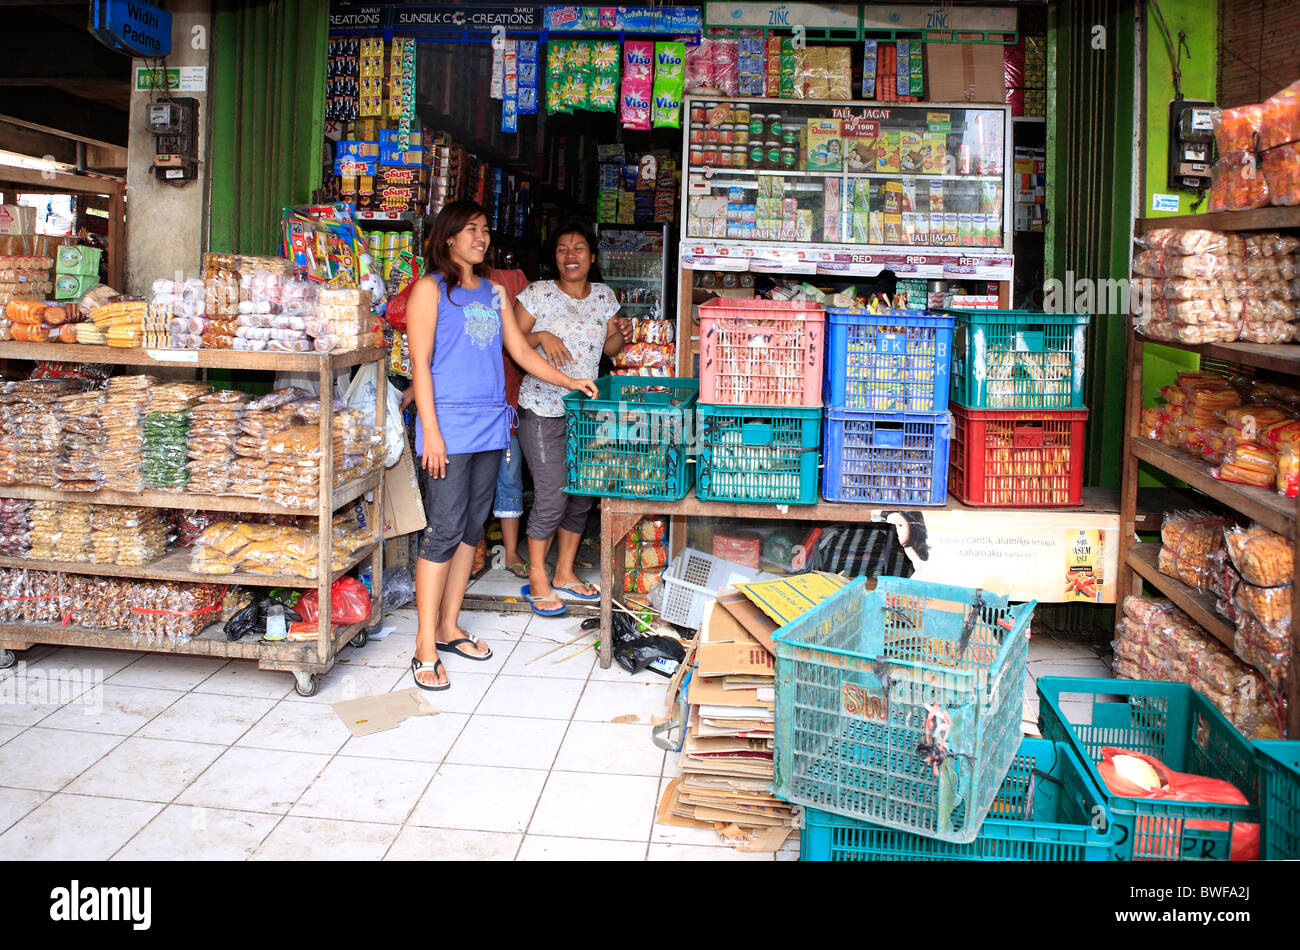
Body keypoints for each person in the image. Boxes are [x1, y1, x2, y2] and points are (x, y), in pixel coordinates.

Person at [405, 201, 597, 691]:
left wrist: (570, 381)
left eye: (485, 230)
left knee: (471, 530)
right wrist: (430, 430)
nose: (481, 238)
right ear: (448, 237)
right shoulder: (430, 291)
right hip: (447, 430)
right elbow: (420, 366)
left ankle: (449, 627)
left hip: (491, 428)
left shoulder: (493, 293)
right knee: (443, 531)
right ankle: (425, 645)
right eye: (471, 230)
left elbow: (520, 352)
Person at [513, 221, 631, 615]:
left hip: (587, 409)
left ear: (592, 256)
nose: (570, 255)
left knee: (581, 494)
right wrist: (542, 336)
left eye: (578, 248)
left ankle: (564, 572)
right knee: (552, 494)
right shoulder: (538, 294)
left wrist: (622, 331)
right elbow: (508, 340)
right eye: (563, 248)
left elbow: (609, 348)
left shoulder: (603, 296)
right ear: (555, 258)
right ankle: (538, 579)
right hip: (543, 406)